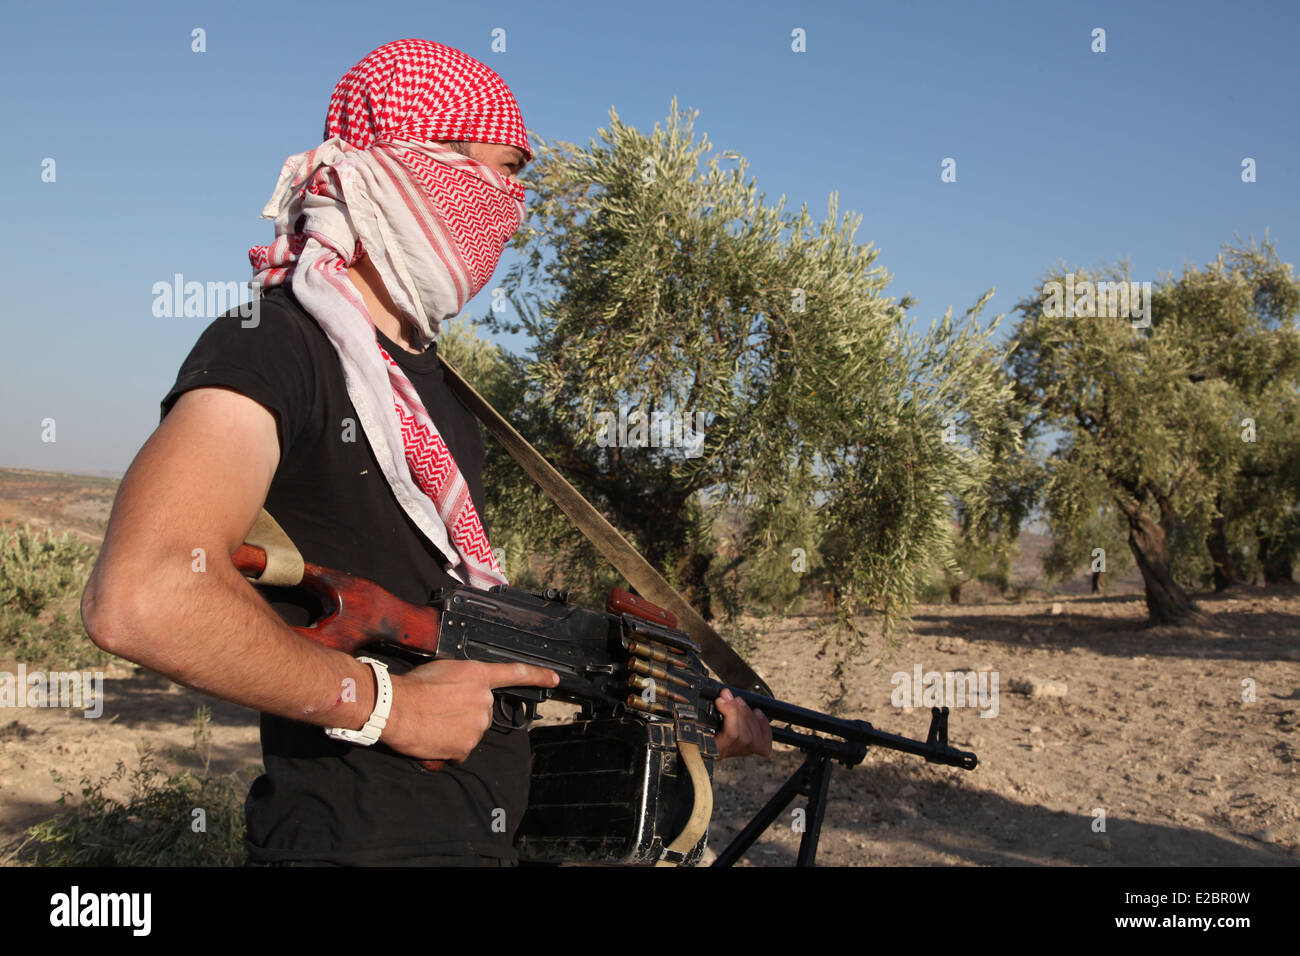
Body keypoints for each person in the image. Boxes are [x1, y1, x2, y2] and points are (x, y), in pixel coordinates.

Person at [80, 39, 770, 866]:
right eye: (500, 170)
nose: (512, 206)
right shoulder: (276, 345)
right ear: (409, 160)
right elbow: (143, 593)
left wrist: (678, 724)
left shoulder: (431, 390)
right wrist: (388, 708)